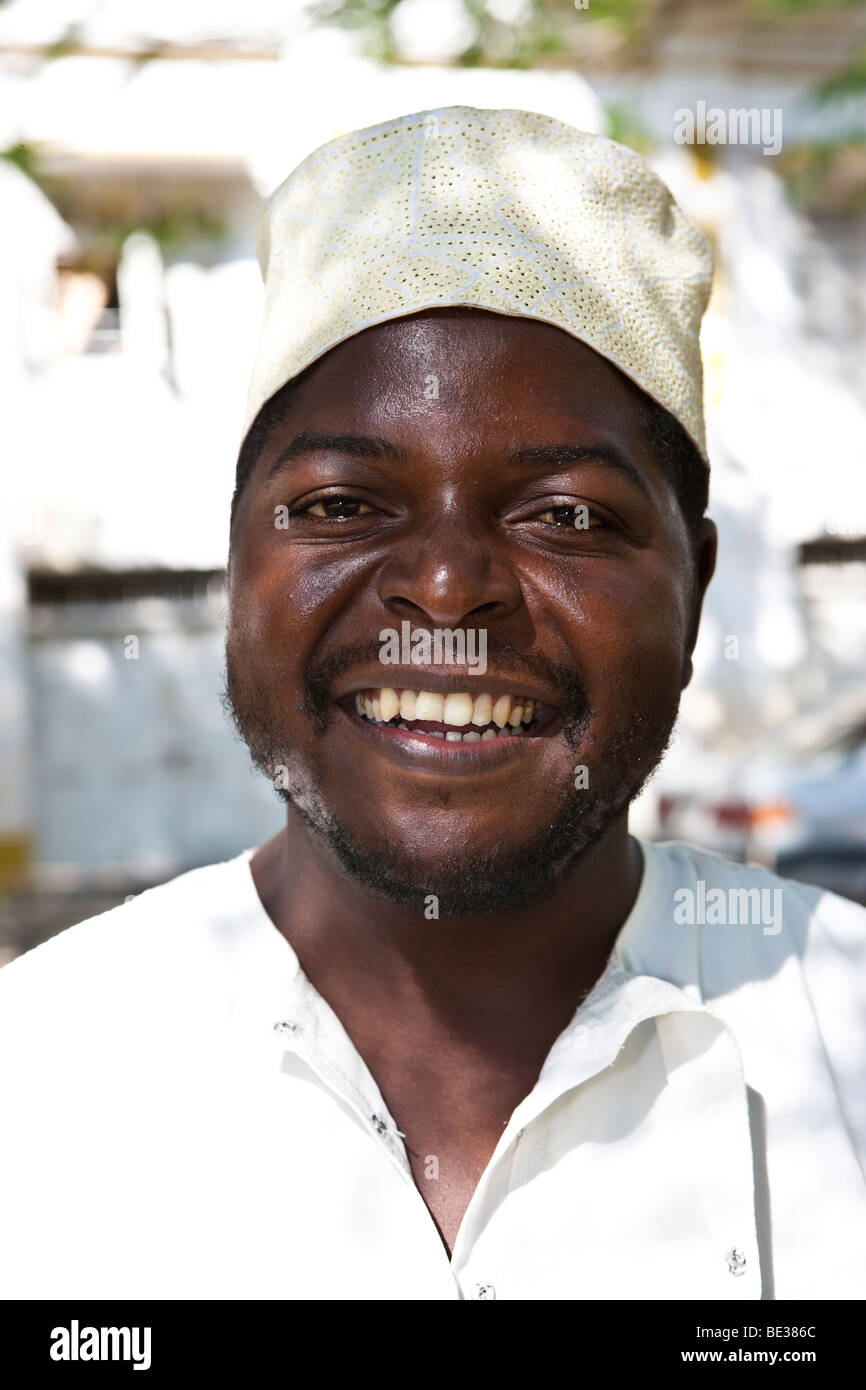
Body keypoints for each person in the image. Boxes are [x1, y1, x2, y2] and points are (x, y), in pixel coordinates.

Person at [1, 105, 864, 1302]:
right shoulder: (35, 1078)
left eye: (563, 514)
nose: (446, 591)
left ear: (694, 582)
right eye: (343, 505)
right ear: (236, 560)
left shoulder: (844, 1041)